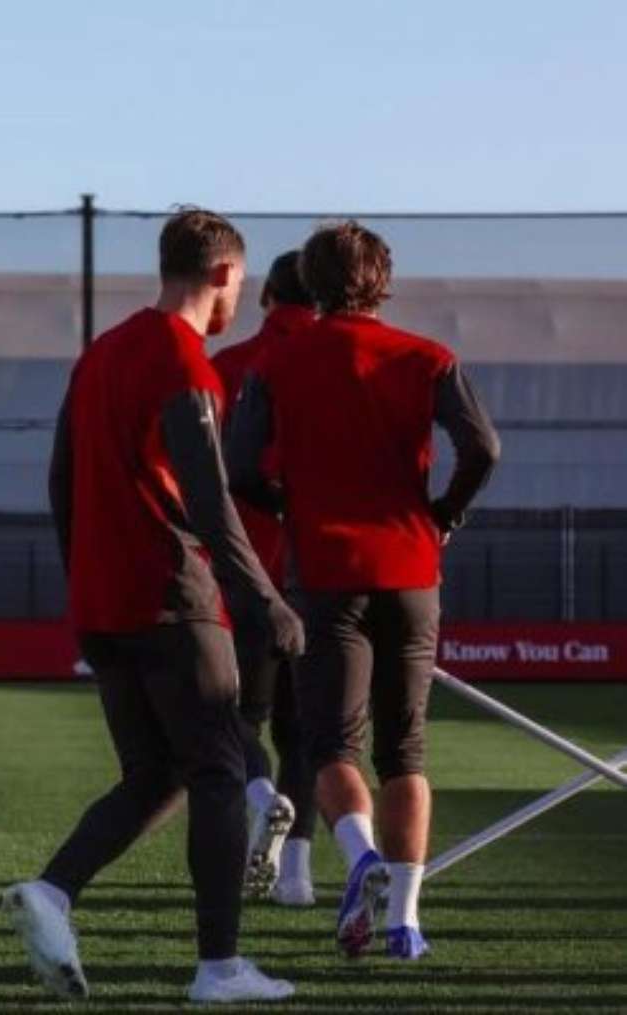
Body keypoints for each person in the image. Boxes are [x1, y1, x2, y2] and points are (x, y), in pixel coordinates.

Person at [6, 208, 302, 1005]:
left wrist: (85, 581)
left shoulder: (100, 355)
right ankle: (219, 967)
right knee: (220, 768)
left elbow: (59, 480)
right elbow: (209, 501)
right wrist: (265, 598)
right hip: (173, 600)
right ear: (224, 275)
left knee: (157, 772)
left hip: (105, 606)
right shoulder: (185, 361)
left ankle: (55, 890)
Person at [226, 221, 499, 961]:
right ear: (383, 278)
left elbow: (240, 466)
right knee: (405, 749)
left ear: (312, 282)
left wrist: (290, 501)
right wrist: (443, 513)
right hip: (411, 569)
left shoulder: (278, 365)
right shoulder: (428, 357)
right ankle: (406, 921)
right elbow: (484, 447)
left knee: (329, 741)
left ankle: (361, 858)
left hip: (324, 570)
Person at [209, 250, 318, 906]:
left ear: (266, 295)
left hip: (244, 571)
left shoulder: (227, 367)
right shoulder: (346, 363)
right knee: (306, 730)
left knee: (233, 719)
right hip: (323, 576)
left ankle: (257, 796)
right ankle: (299, 873)